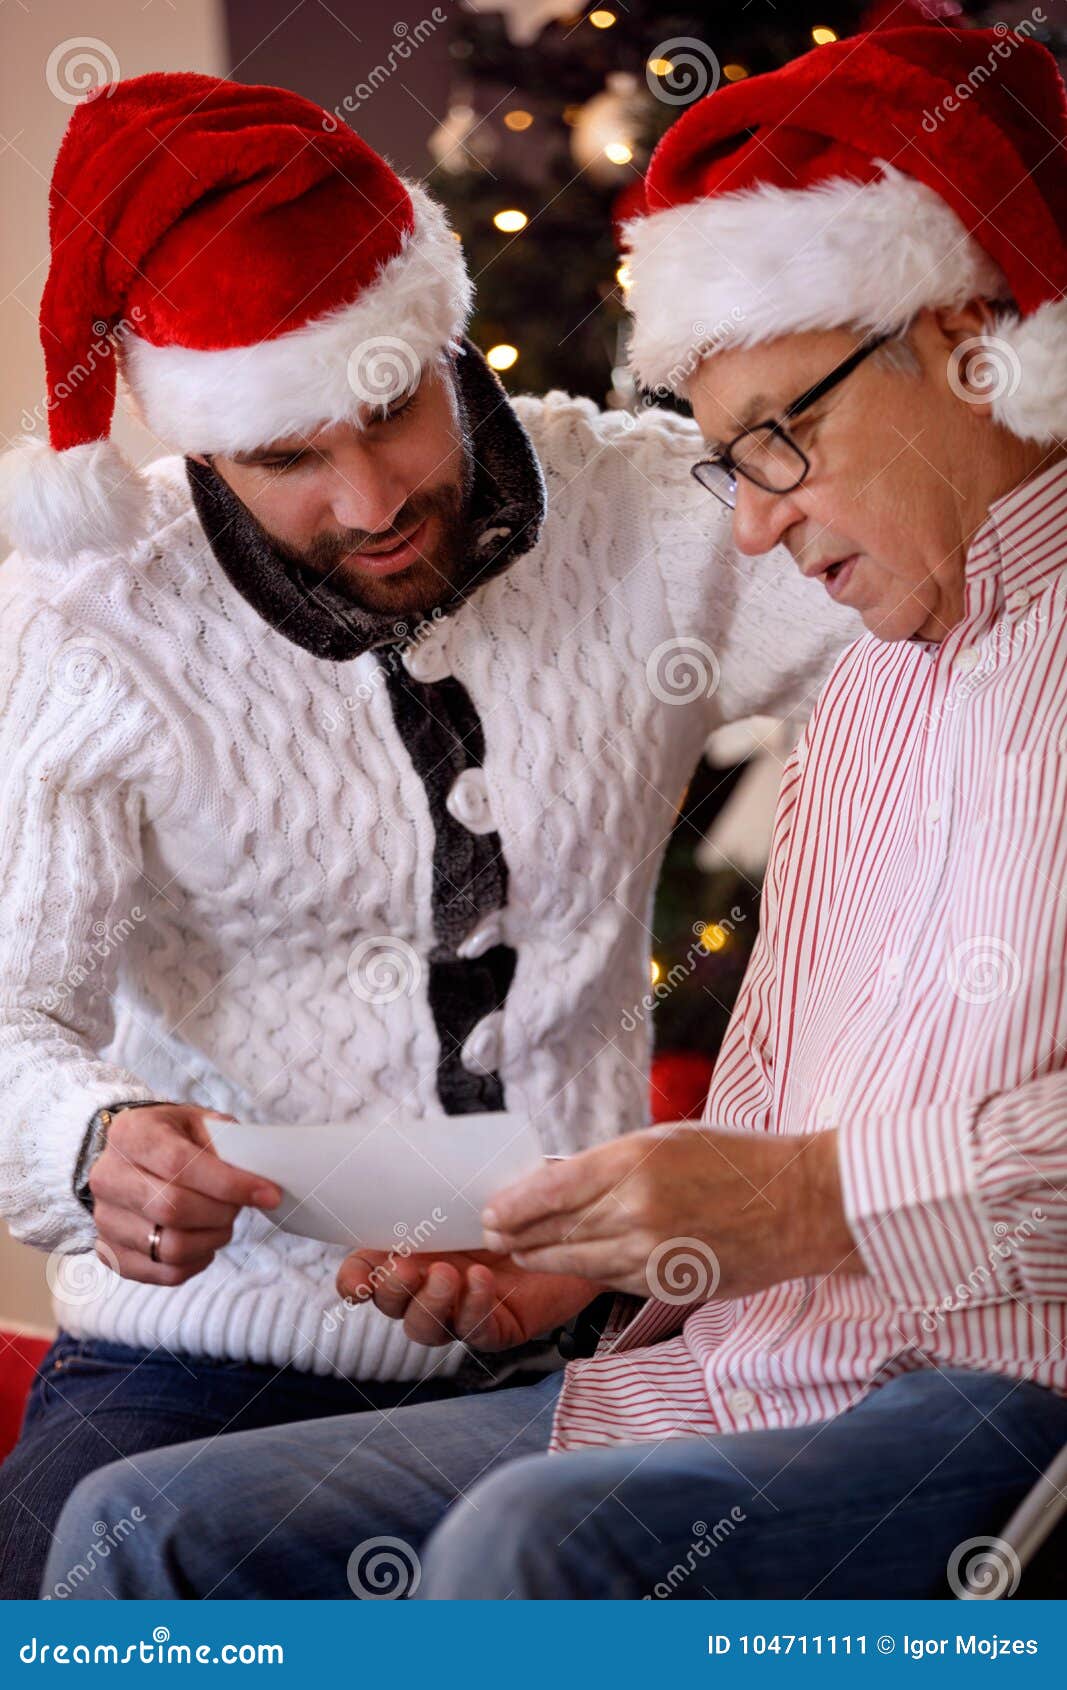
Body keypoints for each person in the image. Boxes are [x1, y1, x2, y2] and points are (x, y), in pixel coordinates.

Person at [41, 23, 1067, 1603]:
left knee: (519, 1549)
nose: (373, 500)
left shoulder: (755, 555)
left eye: (391, 411)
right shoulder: (88, 614)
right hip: (250, 1342)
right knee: (121, 1529)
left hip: (870, 1358)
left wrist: (771, 1207)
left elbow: (973, 499)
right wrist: (89, 1142)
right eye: (290, 454)